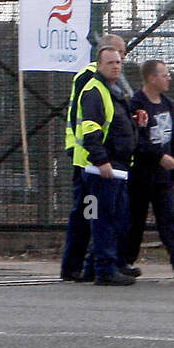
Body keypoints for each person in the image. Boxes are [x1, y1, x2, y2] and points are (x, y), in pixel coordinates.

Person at [123, 59, 174, 279]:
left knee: (169, 217)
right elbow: (136, 141)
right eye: (164, 75)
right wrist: (158, 157)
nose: (168, 78)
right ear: (151, 78)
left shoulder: (167, 102)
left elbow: (172, 138)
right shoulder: (137, 104)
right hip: (141, 173)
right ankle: (125, 260)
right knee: (135, 220)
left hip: (163, 175)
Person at [61, 33, 128, 282]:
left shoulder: (110, 80)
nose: (121, 59)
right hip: (87, 158)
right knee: (87, 213)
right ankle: (75, 265)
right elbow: (83, 119)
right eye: (118, 53)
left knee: (94, 212)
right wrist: (96, 155)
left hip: (93, 156)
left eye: (122, 55)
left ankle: (92, 263)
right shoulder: (91, 80)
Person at [71, 45, 139, 286]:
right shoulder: (95, 91)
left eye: (119, 62)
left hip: (117, 167)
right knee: (104, 220)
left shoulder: (112, 90)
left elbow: (116, 124)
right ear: (99, 65)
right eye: (110, 62)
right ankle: (104, 269)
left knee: (116, 218)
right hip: (104, 169)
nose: (116, 66)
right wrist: (102, 161)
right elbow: (91, 129)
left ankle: (101, 266)